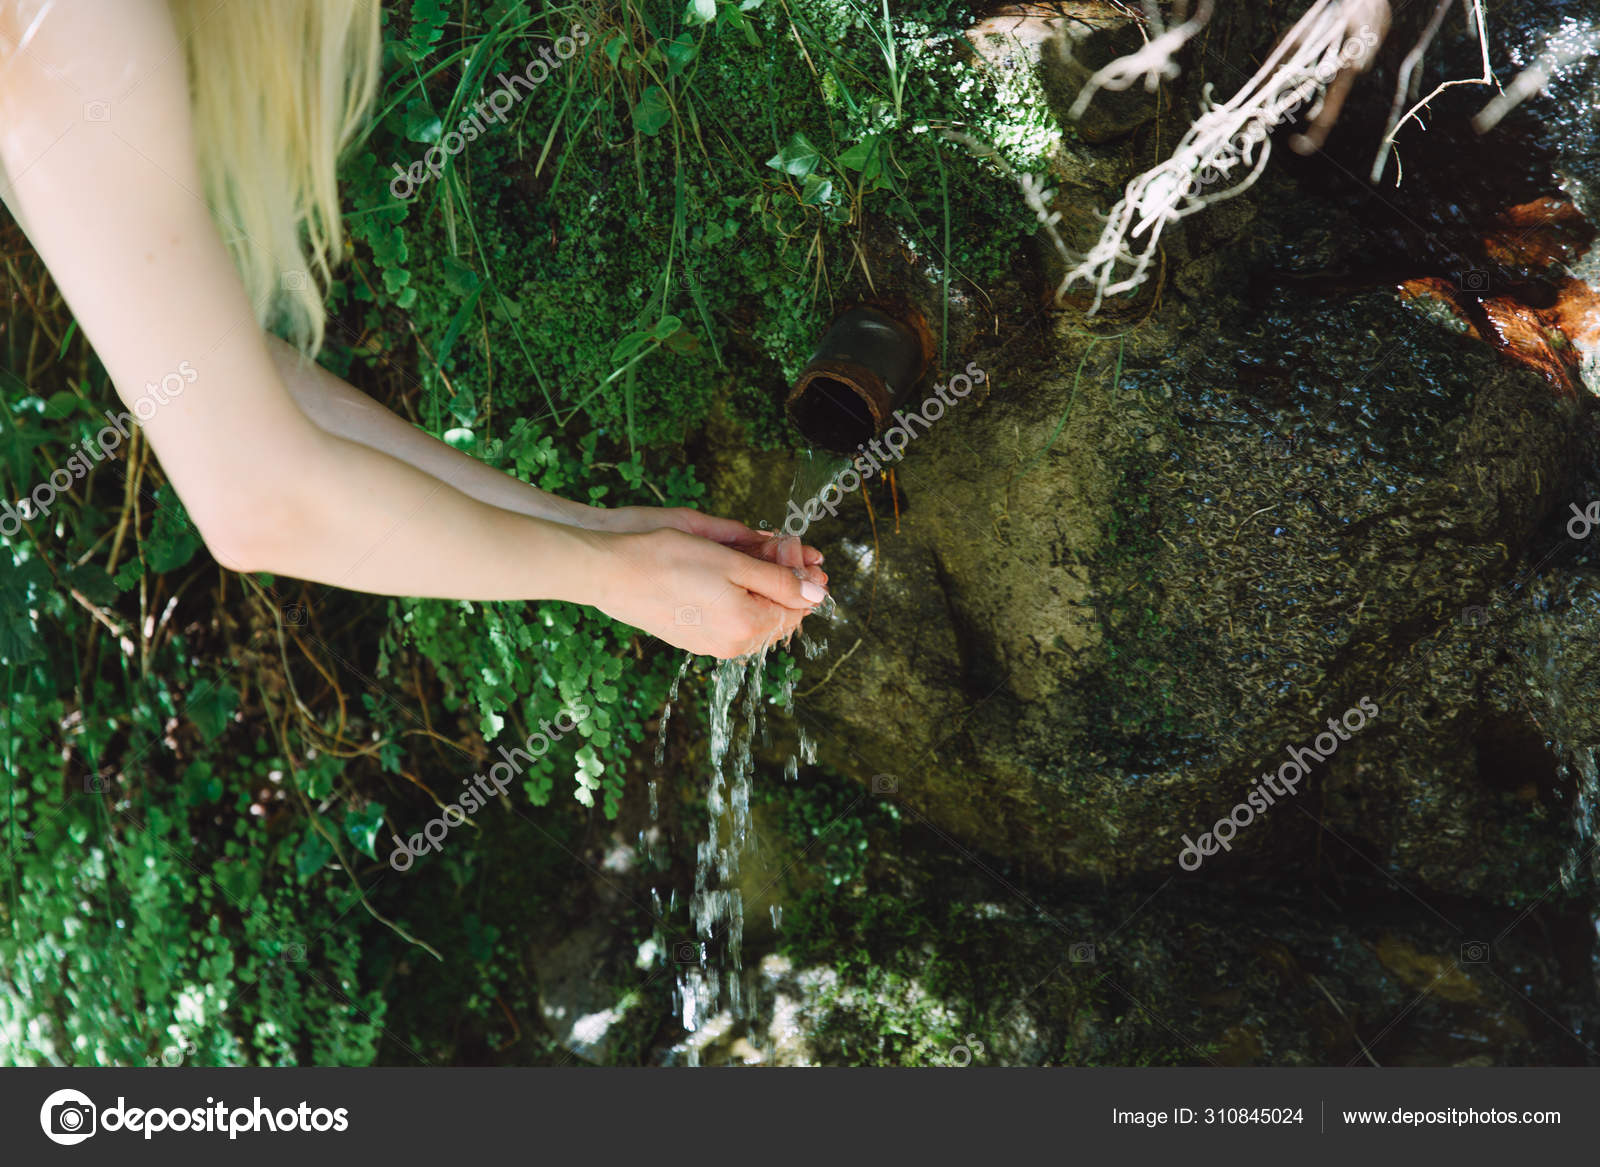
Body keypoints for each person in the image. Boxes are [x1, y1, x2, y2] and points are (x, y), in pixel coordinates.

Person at [0, 0, 827, 660]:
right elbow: (254, 499)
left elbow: (224, 385)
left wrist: (599, 531)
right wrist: (613, 577)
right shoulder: (72, 27)